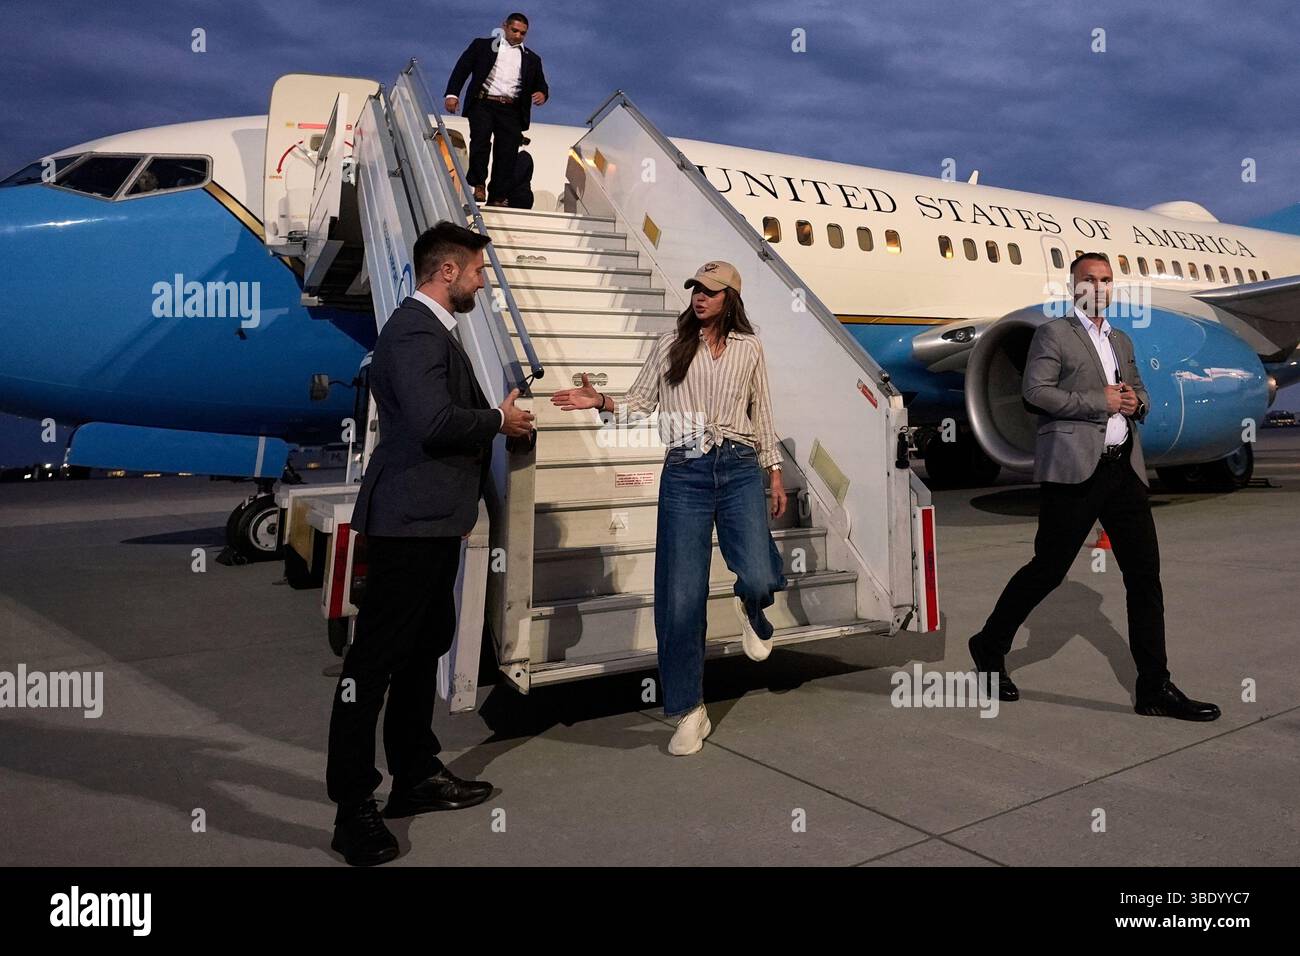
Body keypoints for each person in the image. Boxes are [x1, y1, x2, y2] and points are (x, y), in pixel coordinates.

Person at [326, 221, 535, 866]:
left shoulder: (433, 331)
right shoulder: (416, 331)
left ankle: (414, 771)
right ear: (448, 272)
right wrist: (499, 420)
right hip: (409, 523)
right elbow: (434, 421)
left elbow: (444, 414)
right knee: (374, 663)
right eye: (476, 272)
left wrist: (501, 414)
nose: (480, 282)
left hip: (434, 521)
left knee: (424, 646)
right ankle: (353, 807)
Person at [968, 252, 1220, 721]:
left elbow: (1140, 391)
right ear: (1073, 286)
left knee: (1144, 579)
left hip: (1124, 469)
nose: (1099, 287)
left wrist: (1133, 402)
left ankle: (1154, 688)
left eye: (1106, 280)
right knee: (1048, 569)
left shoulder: (1121, 340)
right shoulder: (1053, 334)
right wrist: (1096, 400)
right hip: (1077, 470)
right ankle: (988, 645)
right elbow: (1034, 393)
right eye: (1090, 280)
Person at [551, 261, 789, 756]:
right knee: (681, 597)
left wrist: (774, 471)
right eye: (696, 290)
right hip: (685, 469)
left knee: (762, 574)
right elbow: (639, 402)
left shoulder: (750, 348)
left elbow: (761, 412)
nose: (700, 297)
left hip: (740, 463)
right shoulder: (668, 344)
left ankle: (753, 606)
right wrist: (603, 402)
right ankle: (688, 709)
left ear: (731, 299)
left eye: (711, 291)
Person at [444, 13, 549, 207]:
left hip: (511, 109)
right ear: (505, 27)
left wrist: (542, 93)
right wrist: (452, 94)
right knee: (480, 142)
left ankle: (497, 196)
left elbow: (540, 84)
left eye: (522, 33)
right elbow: (462, 69)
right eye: (514, 30)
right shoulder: (482, 46)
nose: (518, 36)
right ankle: (478, 183)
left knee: (507, 152)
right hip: (483, 103)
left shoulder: (532, 59)